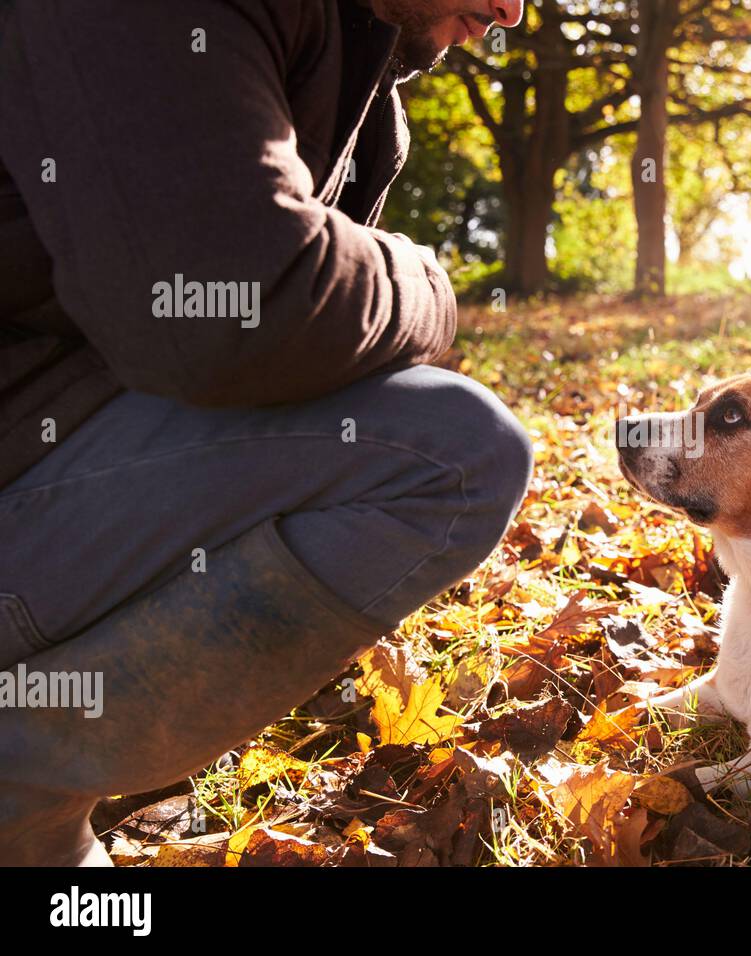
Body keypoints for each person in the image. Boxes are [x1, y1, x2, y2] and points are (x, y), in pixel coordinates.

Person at [0, 0, 528, 866]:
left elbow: (309, 346)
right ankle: (20, 787)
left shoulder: (361, 74)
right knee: (448, 456)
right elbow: (232, 309)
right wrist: (429, 282)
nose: (511, 9)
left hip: (57, 451)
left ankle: (39, 811)